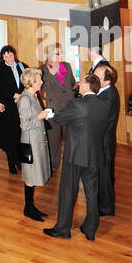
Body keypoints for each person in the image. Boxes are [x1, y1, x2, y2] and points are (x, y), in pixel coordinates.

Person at [44, 73, 110, 242]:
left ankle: (62, 229)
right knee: (92, 193)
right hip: (95, 155)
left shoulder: (78, 104)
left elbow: (58, 118)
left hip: (75, 155)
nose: (79, 84)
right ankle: (90, 229)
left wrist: (48, 113)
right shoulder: (104, 105)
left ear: (87, 86)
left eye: (81, 82)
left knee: (68, 191)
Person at [17, 68, 53, 221]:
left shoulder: (33, 95)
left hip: (37, 140)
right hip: (31, 143)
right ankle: (28, 207)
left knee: (33, 175)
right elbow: (24, 125)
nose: (42, 82)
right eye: (39, 79)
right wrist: (40, 116)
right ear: (32, 82)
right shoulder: (25, 99)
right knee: (30, 176)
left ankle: (30, 206)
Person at [41, 42, 76, 174]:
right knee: (54, 140)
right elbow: (43, 88)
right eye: (57, 53)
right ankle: (53, 166)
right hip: (54, 109)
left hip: (68, 107)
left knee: (70, 138)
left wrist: (76, 85)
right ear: (50, 54)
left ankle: (70, 163)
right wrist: (51, 74)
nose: (60, 55)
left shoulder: (66, 65)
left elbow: (71, 82)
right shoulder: (44, 69)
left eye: (61, 52)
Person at [0, 43, 25, 174]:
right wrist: (14, 95)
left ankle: (19, 160)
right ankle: (12, 162)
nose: (8, 58)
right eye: (5, 56)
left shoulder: (21, 66)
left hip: (20, 104)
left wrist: (21, 95)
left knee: (19, 134)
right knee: (10, 136)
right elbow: (0, 88)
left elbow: (26, 82)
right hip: (7, 106)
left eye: (10, 55)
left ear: (14, 55)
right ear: (2, 58)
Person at [93, 62, 119, 216]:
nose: (94, 77)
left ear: (106, 80)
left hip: (103, 143)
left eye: (97, 76)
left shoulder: (106, 97)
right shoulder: (104, 92)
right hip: (104, 141)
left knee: (104, 176)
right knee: (105, 175)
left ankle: (106, 208)